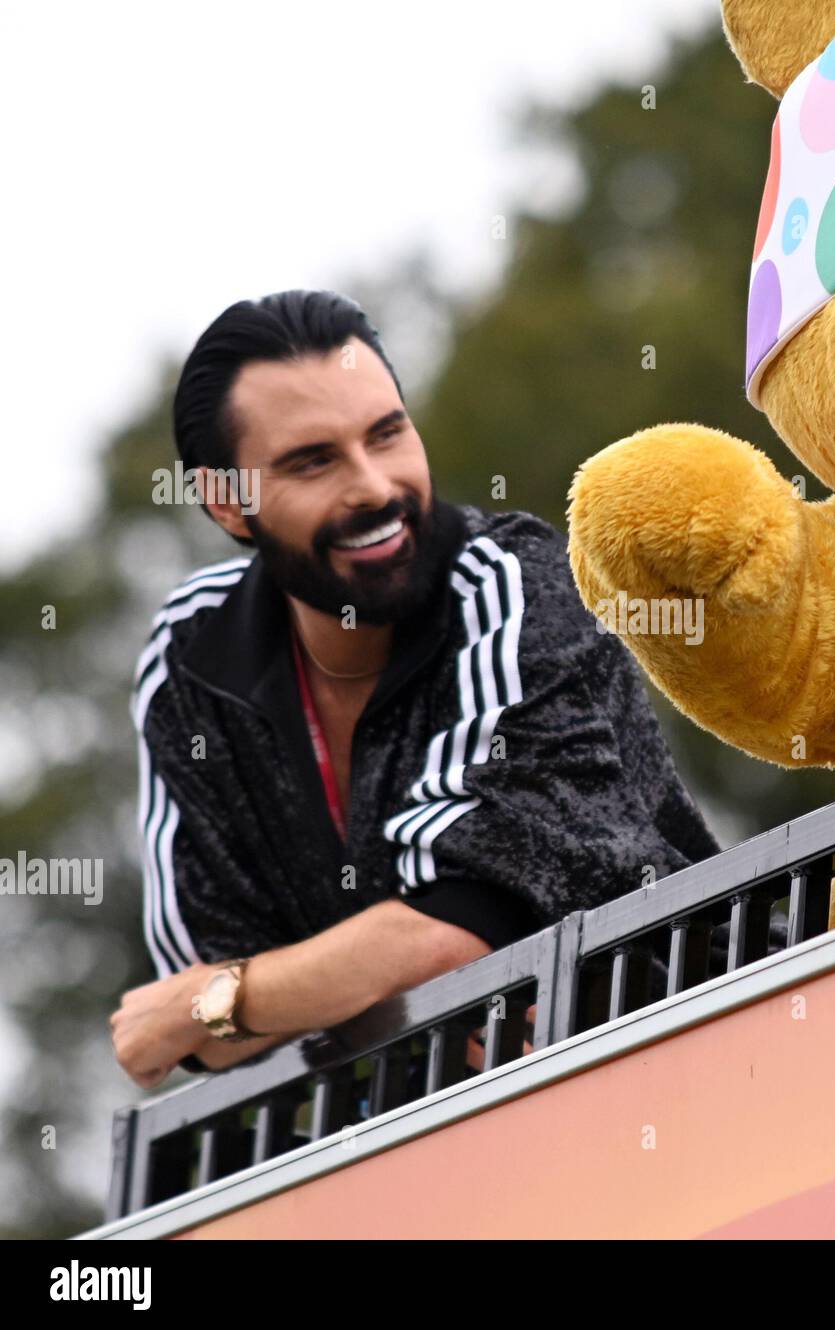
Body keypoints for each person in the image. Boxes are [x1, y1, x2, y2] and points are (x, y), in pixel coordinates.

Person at [110, 289, 719, 1089]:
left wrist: (219, 1000)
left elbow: (446, 940)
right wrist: (226, 1004)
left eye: (387, 434)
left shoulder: (513, 584)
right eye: (313, 460)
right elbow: (206, 1035)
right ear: (229, 505)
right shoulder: (190, 653)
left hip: (689, 1064)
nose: (374, 486)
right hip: (428, 1157)